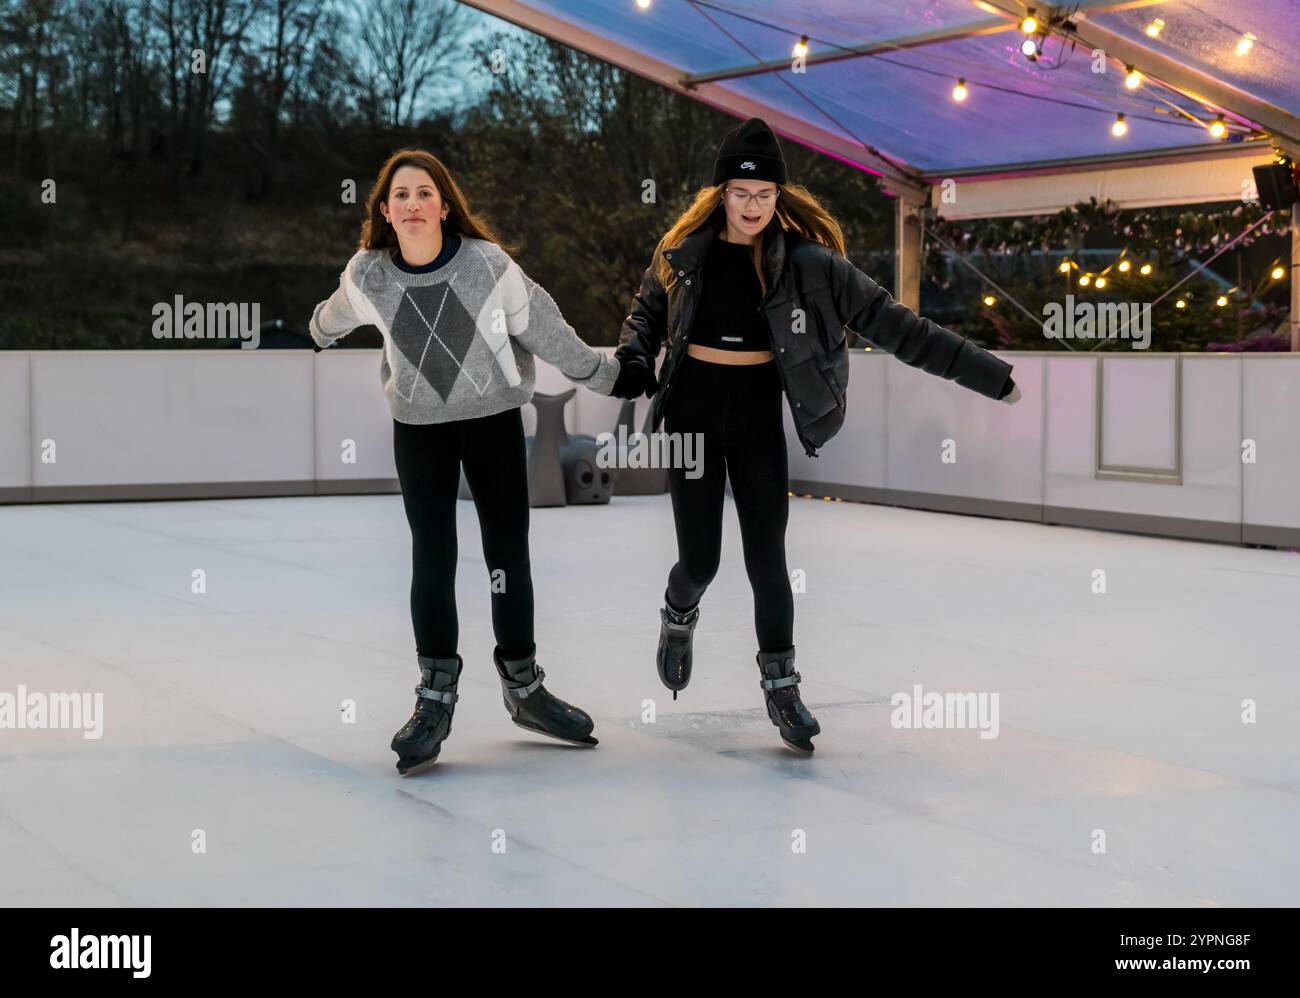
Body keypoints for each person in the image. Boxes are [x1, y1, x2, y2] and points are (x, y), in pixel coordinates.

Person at [608, 118, 1021, 753]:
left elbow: (896, 324)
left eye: (765, 194)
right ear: (721, 194)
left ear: (779, 196)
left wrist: (989, 376)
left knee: (767, 560)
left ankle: (782, 686)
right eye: (742, 194)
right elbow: (645, 317)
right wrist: (635, 358)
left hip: (754, 418)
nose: (753, 207)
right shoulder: (681, 254)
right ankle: (677, 613)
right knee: (701, 560)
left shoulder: (808, 266)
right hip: (691, 415)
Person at [310, 148, 620, 774]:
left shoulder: (484, 265)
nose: (413, 204)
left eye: (424, 192)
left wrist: (604, 374)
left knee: (507, 553)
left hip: (492, 423)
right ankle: (435, 697)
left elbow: (544, 326)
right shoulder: (369, 275)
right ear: (385, 212)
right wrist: (315, 329)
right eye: (400, 196)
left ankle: (524, 687)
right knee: (434, 554)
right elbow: (335, 315)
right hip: (420, 429)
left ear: (444, 205)